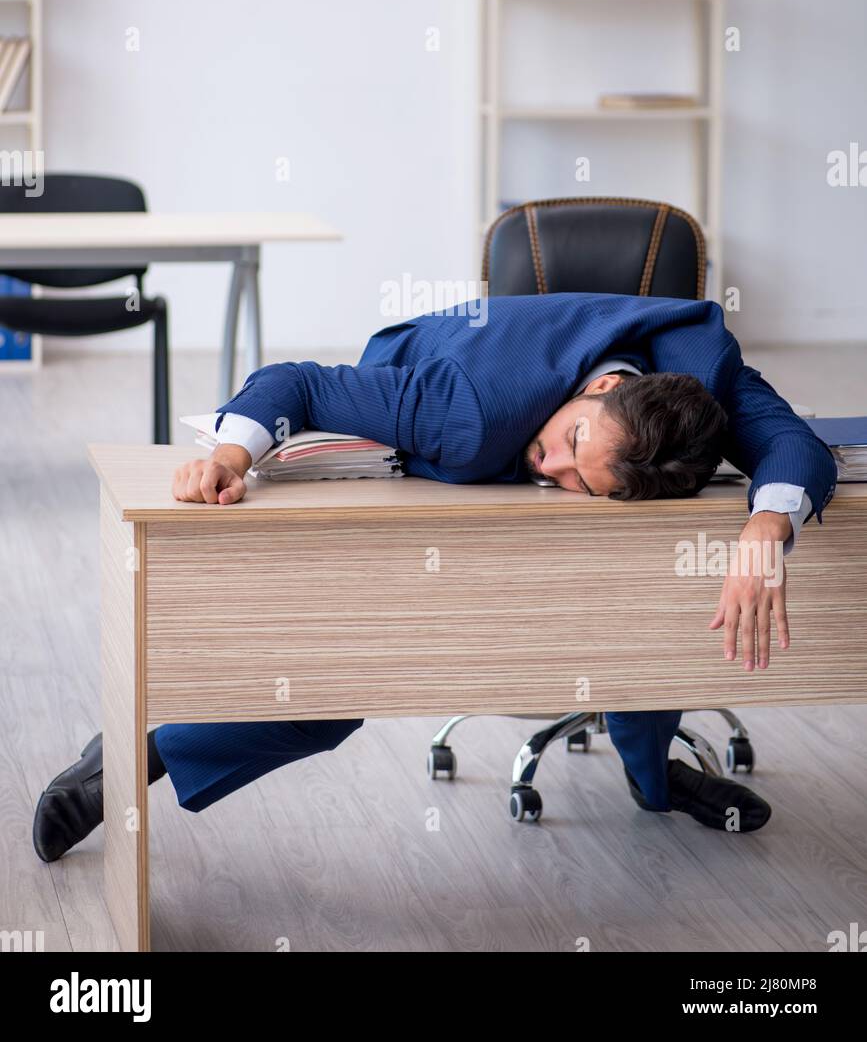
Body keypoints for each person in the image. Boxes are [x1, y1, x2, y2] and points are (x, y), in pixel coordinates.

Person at [33, 291, 837, 860]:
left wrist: (766, 526)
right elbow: (301, 381)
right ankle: (136, 756)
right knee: (335, 696)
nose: (548, 464)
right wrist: (231, 453)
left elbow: (793, 446)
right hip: (425, 409)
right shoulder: (470, 409)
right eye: (566, 442)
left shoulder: (704, 370)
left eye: (577, 482)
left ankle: (654, 777)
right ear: (598, 388)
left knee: (650, 587)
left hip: (542, 380)